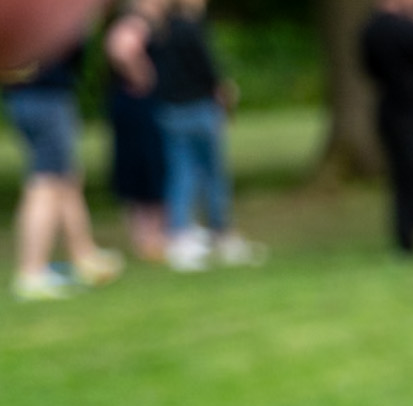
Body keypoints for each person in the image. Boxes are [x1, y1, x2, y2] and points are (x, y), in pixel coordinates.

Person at [4, 39, 124, 299]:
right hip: (45, 99)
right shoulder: (44, 22)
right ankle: (32, 272)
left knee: (66, 178)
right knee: (46, 183)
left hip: (33, 97)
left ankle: (84, 256)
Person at [149, 0, 261, 271]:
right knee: (211, 173)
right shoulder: (191, 28)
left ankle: (180, 235)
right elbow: (207, 69)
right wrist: (223, 94)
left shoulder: (159, 31)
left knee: (180, 173)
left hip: (169, 110)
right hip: (197, 108)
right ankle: (221, 232)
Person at [361, 0, 413, 255]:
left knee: (400, 175)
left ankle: (405, 234)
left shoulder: (369, 30)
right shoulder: (410, 29)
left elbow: (367, 68)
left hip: (388, 106)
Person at [105, 0, 169, 264]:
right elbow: (122, 50)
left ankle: (149, 237)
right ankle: (149, 238)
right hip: (139, 106)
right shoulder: (135, 24)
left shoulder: (137, 23)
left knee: (143, 167)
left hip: (132, 105)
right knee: (146, 166)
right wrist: (143, 77)